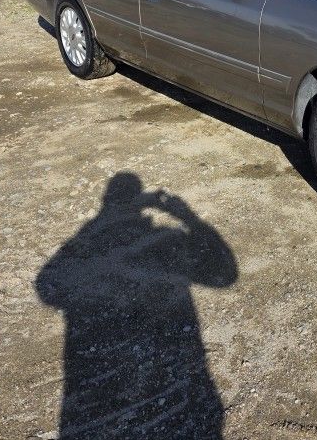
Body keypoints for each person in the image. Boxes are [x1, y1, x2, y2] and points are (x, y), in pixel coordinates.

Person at [36, 172, 237, 439]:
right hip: (173, 373)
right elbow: (225, 275)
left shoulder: (88, 237)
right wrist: (189, 218)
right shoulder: (167, 238)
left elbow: (47, 287)